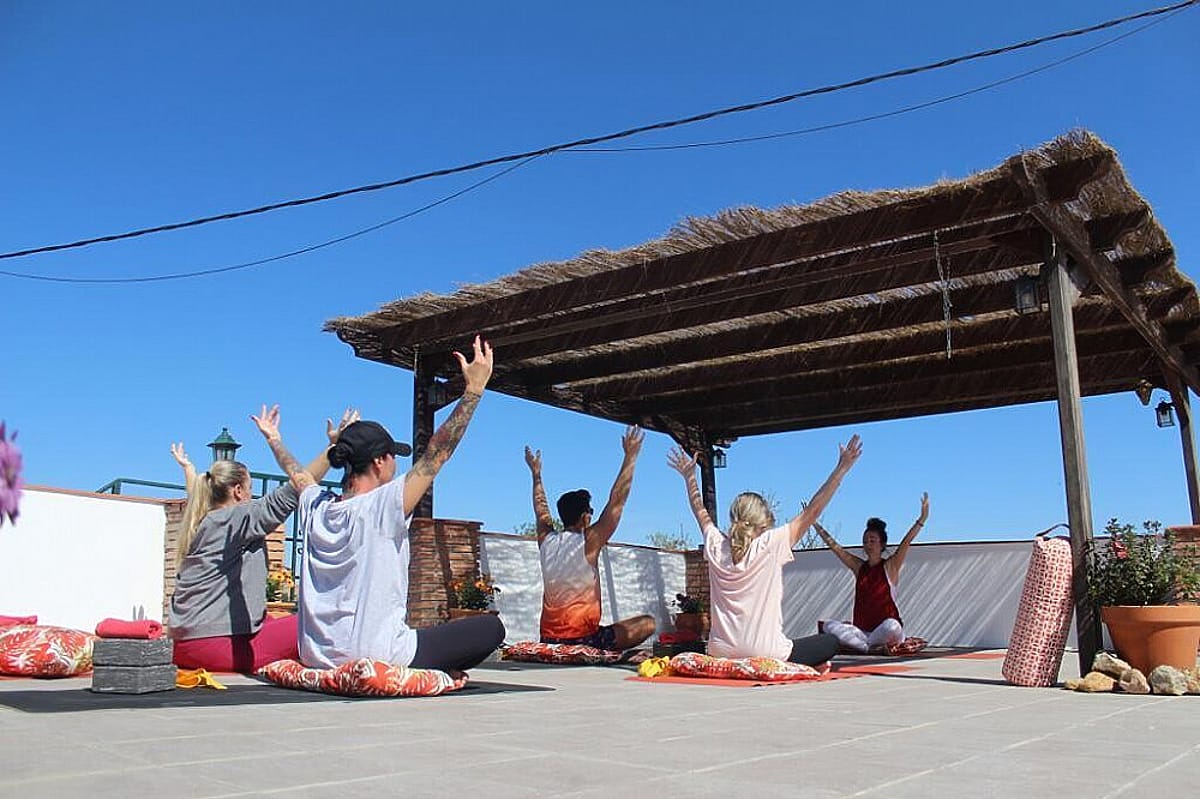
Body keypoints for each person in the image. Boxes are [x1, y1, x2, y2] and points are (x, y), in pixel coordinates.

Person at [297, 335, 504, 673]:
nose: (396, 466)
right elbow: (437, 454)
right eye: (394, 458)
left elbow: (301, 476)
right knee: (491, 628)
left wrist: (332, 444)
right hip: (375, 654)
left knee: (426, 632)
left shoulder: (316, 506)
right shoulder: (380, 506)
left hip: (316, 656)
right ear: (380, 461)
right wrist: (474, 392)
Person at [168, 405, 356, 672]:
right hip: (215, 649)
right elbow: (296, 489)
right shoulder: (232, 519)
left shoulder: (205, 522)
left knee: (277, 619)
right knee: (326, 618)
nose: (252, 496)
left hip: (186, 645)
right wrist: (333, 447)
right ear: (237, 491)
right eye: (250, 488)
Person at [667, 435, 863, 666]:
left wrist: (689, 477)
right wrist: (842, 468)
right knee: (830, 641)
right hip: (766, 652)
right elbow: (813, 510)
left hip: (720, 652)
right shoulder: (771, 542)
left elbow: (699, 511)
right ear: (762, 523)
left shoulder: (716, 544)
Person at [524, 426, 655, 651]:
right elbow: (617, 501)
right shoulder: (589, 541)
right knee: (647, 623)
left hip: (549, 640)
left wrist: (536, 475)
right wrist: (630, 457)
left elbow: (540, 510)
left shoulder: (546, 541)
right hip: (585, 640)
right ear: (585, 517)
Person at [812, 493, 930, 654]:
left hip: (886, 631)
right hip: (863, 633)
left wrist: (922, 519)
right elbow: (836, 548)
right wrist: (815, 524)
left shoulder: (890, 566)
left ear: (882, 544)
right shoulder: (859, 567)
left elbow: (906, 542)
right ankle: (868, 648)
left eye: (872, 540)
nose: (868, 544)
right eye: (865, 541)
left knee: (892, 625)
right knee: (828, 625)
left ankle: (864, 647)